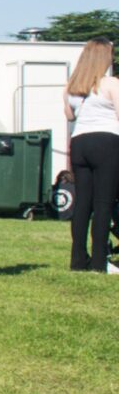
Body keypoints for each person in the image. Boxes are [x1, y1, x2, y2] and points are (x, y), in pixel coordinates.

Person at [64, 37, 119, 273]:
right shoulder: (111, 84)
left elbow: (69, 116)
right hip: (106, 142)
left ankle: (78, 260)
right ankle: (99, 262)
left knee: (82, 205)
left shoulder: (71, 87)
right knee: (103, 204)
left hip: (79, 142)